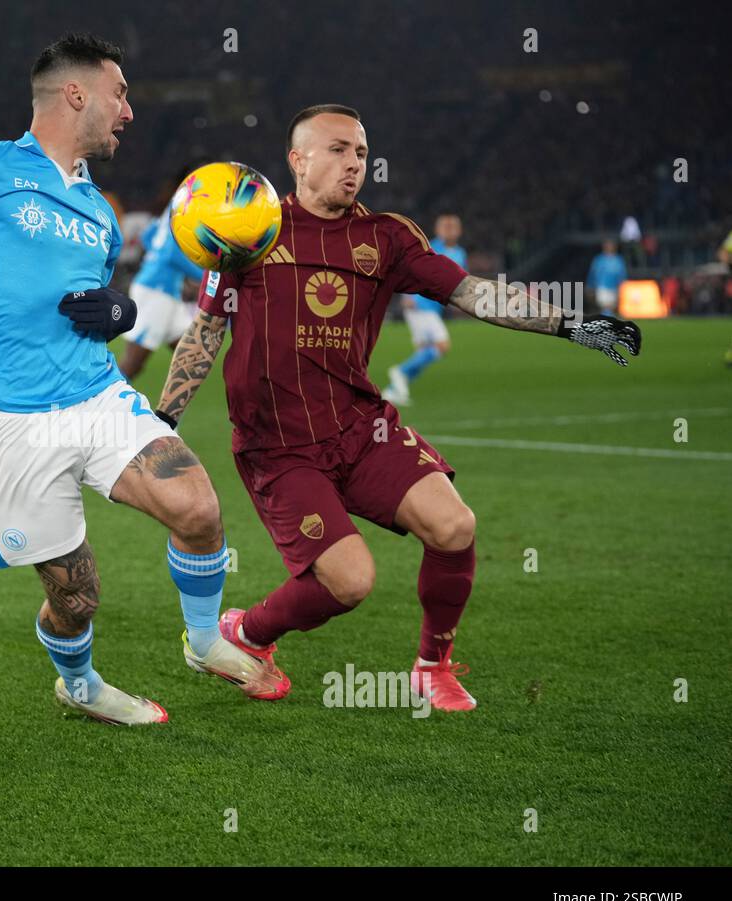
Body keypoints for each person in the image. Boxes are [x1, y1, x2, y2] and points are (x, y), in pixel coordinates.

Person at [156, 104, 641, 711]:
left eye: (360, 152)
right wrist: (164, 419)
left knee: (454, 526)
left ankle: (431, 667)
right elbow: (206, 332)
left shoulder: (386, 237)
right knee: (351, 581)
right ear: (297, 160)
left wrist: (573, 325)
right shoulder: (252, 230)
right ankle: (248, 632)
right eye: (337, 150)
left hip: (361, 429)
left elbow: (474, 295)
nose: (353, 163)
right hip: (278, 444)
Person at [0, 34, 287, 726]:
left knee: (199, 508)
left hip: (97, 397)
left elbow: (93, 306)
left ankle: (206, 638)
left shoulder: (100, 210)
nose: (129, 111)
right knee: (77, 597)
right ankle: (81, 684)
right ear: (76, 94)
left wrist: (119, 309)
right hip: (15, 420)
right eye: (120, 93)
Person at [117, 166, 204, 382]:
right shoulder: (187, 208)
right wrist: (207, 277)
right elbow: (171, 254)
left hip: (163, 289)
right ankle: (97, 409)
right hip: (157, 291)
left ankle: (168, 414)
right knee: (133, 364)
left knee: (192, 358)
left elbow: (148, 237)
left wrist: (155, 256)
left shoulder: (174, 207)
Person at [382, 214, 465, 405]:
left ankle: (395, 389)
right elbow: (411, 269)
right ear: (438, 229)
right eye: (445, 226)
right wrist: (408, 296)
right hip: (420, 305)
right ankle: (400, 372)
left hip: (433, 308)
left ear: (459, 230)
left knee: (424, 351)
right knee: (442, 346)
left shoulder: (461, 253)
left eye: (452, 226)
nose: (449, 230)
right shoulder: (430, 247)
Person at [587, 239, 627, 312]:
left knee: (611, 306)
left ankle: (608, 319)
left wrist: (622, 286)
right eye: (607, 246)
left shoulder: (618, 260)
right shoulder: (599, 259)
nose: (609, 247)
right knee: (604, 305)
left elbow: (622, 274)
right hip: (602, 287)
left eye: (611, 246)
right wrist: (590, 286)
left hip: (614, 287)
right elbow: (593, 273)